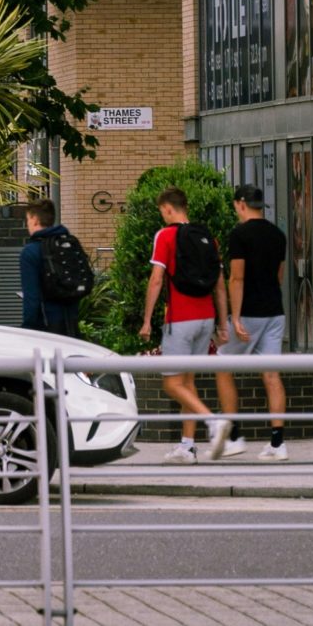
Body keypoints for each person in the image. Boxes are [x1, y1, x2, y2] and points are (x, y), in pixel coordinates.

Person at [140, 185, 232, 463]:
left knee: (171, 384)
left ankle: (214, 423)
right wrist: (223, 323)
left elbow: (157, 279)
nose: (162, 216)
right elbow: (219, 286)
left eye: (162, 211)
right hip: (205, 319)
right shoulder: (207, 238)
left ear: (168, 208)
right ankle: (187, 446)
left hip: (179, 319)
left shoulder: (166, 236)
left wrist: (146, 320)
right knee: (188, 382)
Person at [215, 185, 290, 460]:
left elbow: (237, 278)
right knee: (271, 376)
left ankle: (234, 436)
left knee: (223, 365)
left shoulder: (239, 234)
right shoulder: (278, 234)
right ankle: (277, 444)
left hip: (249, 313)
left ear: (241, 204)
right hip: (275, 311)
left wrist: (234, 316)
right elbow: (279, 275)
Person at [18, 199, 85, 338]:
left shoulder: (31, 251)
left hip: (45, 328)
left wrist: (27, 329)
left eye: (28, 220)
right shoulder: (69, 245)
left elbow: (32, 298)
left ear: (35, 220)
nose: (27, 225)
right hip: (71, 324)